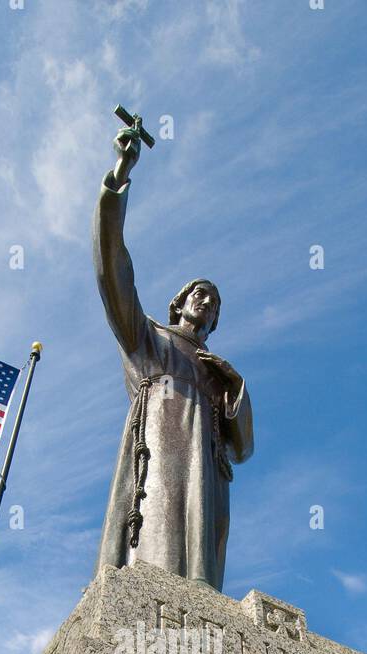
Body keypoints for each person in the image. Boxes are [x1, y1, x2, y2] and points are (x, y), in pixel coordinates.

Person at [92, 120, 254, 591]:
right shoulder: (149, 339)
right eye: (199, 294)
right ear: (179, 303)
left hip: (208, 475)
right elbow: (113, 268)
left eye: (215, 302)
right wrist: (118, 179)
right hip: (161, 447)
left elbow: (243, 450)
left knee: (201, 552)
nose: (207, 302)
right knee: (157, 535)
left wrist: (235, 387)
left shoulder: (218, 375)